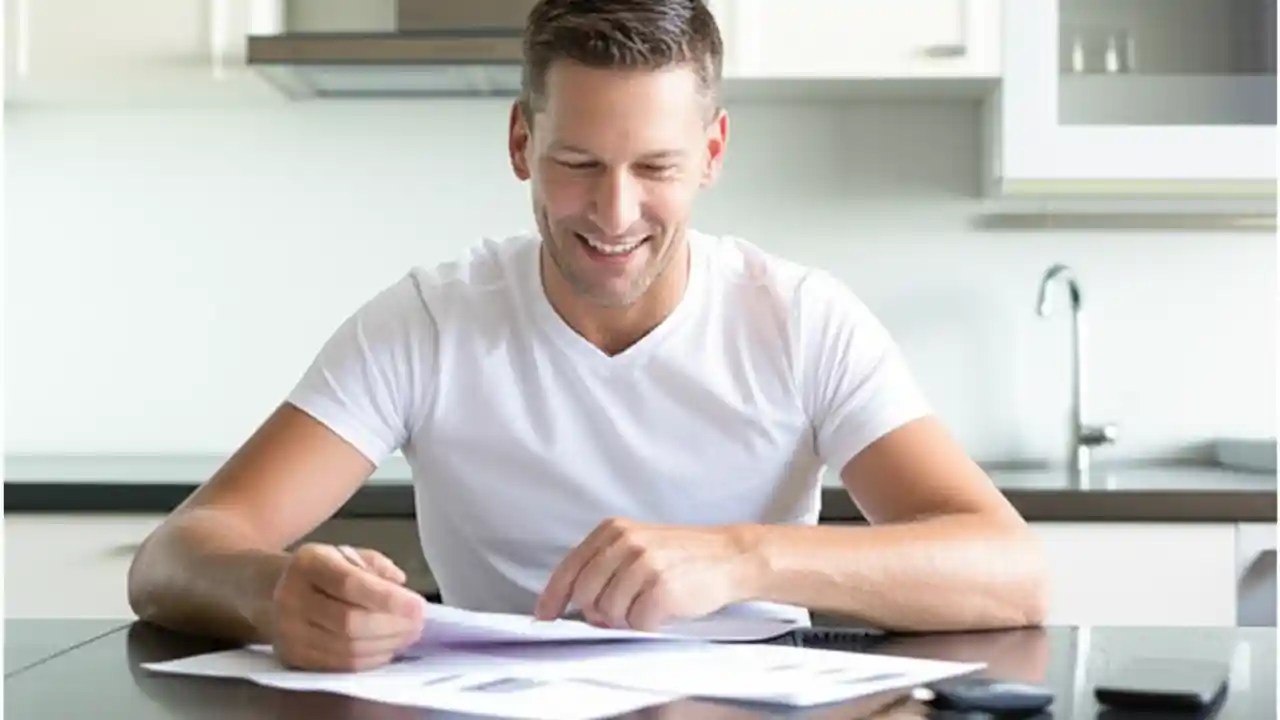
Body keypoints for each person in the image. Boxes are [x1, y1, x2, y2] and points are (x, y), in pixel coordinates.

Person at [127, 0, 1048, 672]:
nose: (614, 213)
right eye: (577, 165)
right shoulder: (428, 320)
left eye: (657, 167)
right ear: (522, 143)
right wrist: (275, 593)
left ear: (714, 154)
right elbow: (177, 554)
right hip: (490, 698)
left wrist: (740, 557)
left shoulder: (800, 317)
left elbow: (1008, 570)